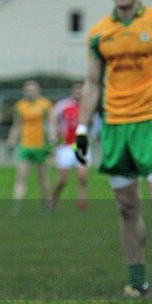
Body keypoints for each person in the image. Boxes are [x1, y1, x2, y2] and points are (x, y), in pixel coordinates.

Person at [74, 0, 152, 298]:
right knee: (126, 207)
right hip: (114, 128)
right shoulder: (98, 33)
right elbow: (92, 83)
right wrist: (81, 129)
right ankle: (137, 281)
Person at [6, 79, 56, 213]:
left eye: (33, 89)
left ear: (38, 91)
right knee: (21, 175)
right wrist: (11, 140)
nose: (30, 92)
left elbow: (51, 123)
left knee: (43, 178)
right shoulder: (20, 106)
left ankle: (47, 204)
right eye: (28, 90)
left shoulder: (45, 104)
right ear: (24, 92)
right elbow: (17, 125)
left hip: (41, 146)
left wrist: (52, 138)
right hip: (25, 145)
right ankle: (16, 206)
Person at [48, 82, 97, 211]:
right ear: (71, 92)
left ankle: (82, 207)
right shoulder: (63, 106)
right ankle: (52, 201)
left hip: (82, 145)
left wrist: (93, 134)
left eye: (80, 90)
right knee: (62, 180)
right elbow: (53, 118)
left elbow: (94, 123)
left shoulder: (87, 107)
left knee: (83, 178)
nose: (78, 93)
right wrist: (54, 134)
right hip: (66, 146)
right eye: (75, 90)